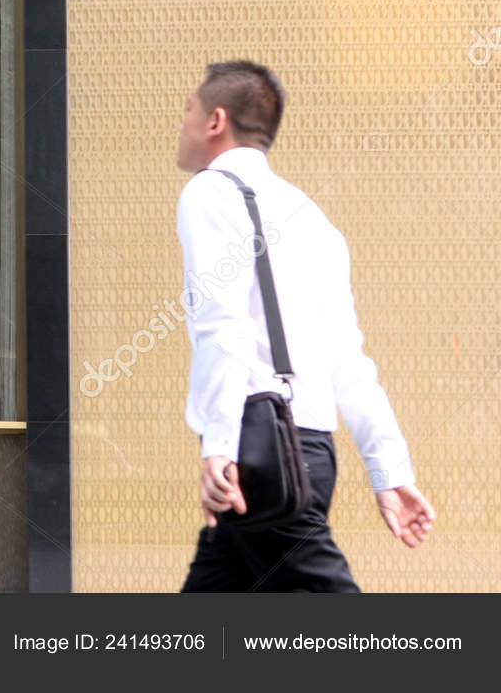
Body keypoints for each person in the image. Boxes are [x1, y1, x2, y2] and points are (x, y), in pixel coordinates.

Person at [174, 60, 434, 592]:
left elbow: (221, 325)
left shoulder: (211, 192)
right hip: (309, 453)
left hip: (260, 453)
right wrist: (390, 472)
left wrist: (219, 446)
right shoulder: (311, 217)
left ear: (215, 120)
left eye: (188, 111)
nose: (182, 124)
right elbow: (350, 362)